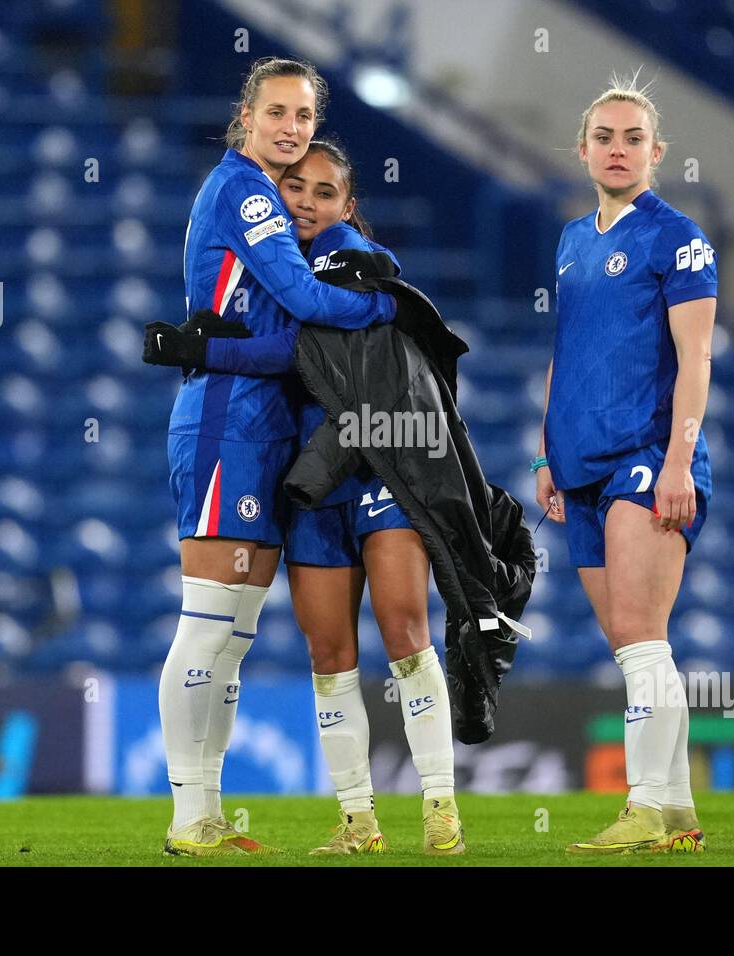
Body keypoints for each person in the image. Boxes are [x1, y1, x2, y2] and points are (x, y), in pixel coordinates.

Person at [172, 140, 465, 856]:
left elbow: (300, 345)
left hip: (375, 473)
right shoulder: (278, 268)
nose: (306, 201)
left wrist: (199, 349)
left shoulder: (356, 265)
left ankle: (440, 808)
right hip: (306, 480)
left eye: (325, 191)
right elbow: (290, 346)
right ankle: (358, 821)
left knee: (404, 635)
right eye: (296, 187)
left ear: (349, 204)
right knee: (329, 651)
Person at [143, 57, 396, 857]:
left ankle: (209, 813)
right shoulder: (246, 192)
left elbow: (276, 335)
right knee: (206, 627)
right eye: (278, 112)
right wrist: (393, 306)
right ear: (244, 115)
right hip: (224, 424)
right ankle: (188, 815)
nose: (292, 128)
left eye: (305, 117)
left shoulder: (265, 198)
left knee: (235, 636)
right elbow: (310, 303)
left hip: (262, 427)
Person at [536, 74, 715, 853]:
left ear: (656, 152)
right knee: (634, 644)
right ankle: (674, 811)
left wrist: (678, 462)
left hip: (647, 458)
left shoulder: (677, 237)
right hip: (579, 466)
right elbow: (565, 351)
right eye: (604, 137)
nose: (617, 149)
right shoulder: (573, 241)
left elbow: (696, 354)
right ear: (582, 150)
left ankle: (645, 805)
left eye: (632, 138)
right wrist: (547, 451)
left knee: (642, 634)